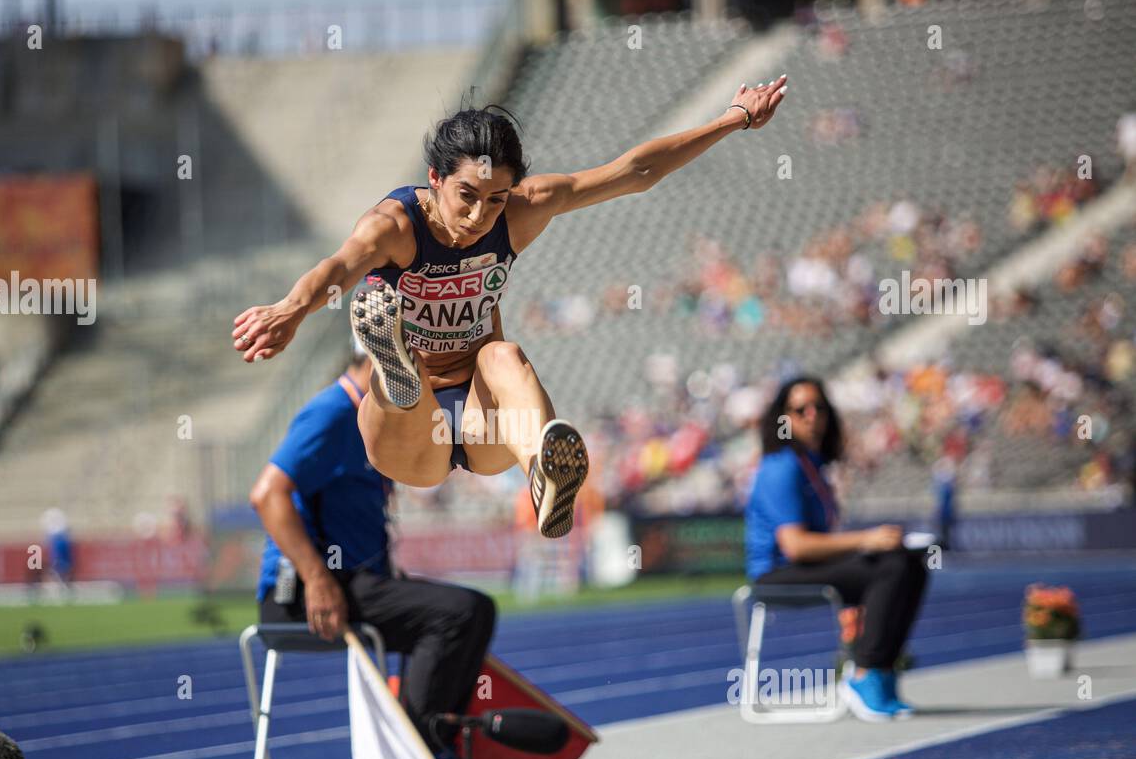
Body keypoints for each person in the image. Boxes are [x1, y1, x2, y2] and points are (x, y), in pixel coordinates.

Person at [234, 79, 790, 539]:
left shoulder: (522, 212)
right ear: (435, 179)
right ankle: (397, 366)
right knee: (393, 346)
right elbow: (338, 268)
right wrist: (289, 309)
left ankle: (542, 475)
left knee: (503, 354)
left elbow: (634, 172)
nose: (479, 216)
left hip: (483, 426)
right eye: (467, 196)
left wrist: (733, 118)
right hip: (409, 440)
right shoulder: (394, 226)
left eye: (495, 199)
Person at [249, 349, 500, 759]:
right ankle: (417, 758)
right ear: (376, 356)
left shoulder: (370, 415)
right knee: (458, 612)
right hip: (300, 596)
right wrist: (317, 579)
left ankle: (429, 751)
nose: (421, 380)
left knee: (471, 611)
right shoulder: (331, 412)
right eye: (414, 366)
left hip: (354, 581)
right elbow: (268, 493)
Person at [744, 377, 929, 721]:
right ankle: (864, 674)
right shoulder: (780, 467)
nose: (812, 415)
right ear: (783, 418)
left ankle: (883, 671)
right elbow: (796, 546)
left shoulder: (812, 465)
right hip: (777, 575)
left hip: (805, 566)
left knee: (910, 562)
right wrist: (866, 540)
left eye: (820, 408)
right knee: (891, 567)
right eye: (800, 409)